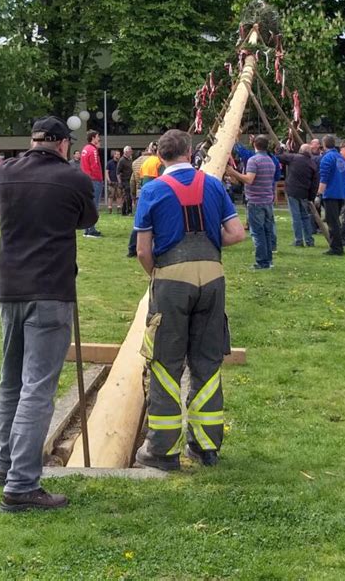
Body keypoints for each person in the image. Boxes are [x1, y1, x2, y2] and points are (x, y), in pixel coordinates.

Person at [0, 115, 97, 512]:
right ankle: (21, 485)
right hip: (50, 289)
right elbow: (87, 219)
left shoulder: (5, 171)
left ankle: (5, 467)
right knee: (38, 387)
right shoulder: (73, 178)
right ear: (62, 144)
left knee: (11, 382)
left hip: (10, 287)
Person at [133, 129, 245, 472]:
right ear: (189, 152)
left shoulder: (151, 190)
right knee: (208, 361)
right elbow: (237, 234)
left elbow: (142, 250)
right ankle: (206, 446)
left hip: (171, 279)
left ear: (160, 156)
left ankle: (162, 451)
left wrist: (158, 273)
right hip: (213, 278)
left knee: (166, 364)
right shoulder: (212, 185)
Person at [231, 135, 276, 269]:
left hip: (256, 201)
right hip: (267, 200)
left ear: (254, 144)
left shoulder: (253, 160)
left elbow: (249, 179)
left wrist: (233, 172)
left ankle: (262, 262)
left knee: (257, 232)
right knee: (267, 231)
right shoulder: (270, 160)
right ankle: (268, 261)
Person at [277, 144, 318, 247]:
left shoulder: (294, 157)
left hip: (292, 191)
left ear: (300, 150)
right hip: (304, 193)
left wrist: (281, 149)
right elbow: (315, 183)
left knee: (296, 217)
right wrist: (311, 198)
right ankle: (309, 240)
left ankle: (298, 240)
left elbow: (279, 157)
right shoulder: (312, 163)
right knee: (305, 217)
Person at [126, 146, 163, 258]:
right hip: (155, 193)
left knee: (141, 222)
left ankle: (132, 248)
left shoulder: (146, 162)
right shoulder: (159, 162)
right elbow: (162, 178)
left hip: (143, 192)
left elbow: (139, 178)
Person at [318, 135, 345, 256]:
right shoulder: (341, 158)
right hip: (341, 193)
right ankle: (338, 245)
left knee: (332, 222)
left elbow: (324, 178)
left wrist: (318, 194)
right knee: (336, 221)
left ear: (324, 144)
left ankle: (336, 248)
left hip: (330, 193)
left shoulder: (326, 158)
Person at [80, 130, 103, 237]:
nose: (99, 138)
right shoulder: (93, 150)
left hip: (86, 179)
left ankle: (87, 229)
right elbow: (95, 166)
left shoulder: (85, 149)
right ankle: (91, 229)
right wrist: (99, 179)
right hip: (94, 180)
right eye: (98, 136)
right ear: (93, 138)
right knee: (94, 205)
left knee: (88, 205)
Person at [117, 145, 133, 216]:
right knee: (127, 196)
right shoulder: (122, 160)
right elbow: (117, 172)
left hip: (130, 180)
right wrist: (120, 182)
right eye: (130, 151)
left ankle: (124, 212)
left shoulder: (130, 159)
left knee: (128, 196)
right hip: (125, 180)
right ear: (126, 152)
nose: (131, 152)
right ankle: (128, 211)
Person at [106, 149, 122, 214]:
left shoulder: (120, 162)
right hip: (111, 182)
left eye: (119, 154)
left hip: (119, 182)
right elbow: (106, 172)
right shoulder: (109, 163)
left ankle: (119, 208)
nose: (118, 155)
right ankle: (110, 208)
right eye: (117, 154)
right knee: (110, 196)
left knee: (119, 195)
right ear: (114, 155)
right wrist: (108, 180)